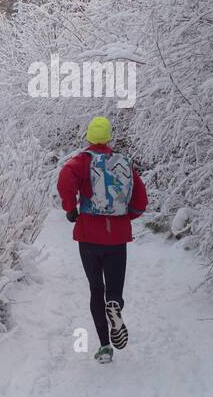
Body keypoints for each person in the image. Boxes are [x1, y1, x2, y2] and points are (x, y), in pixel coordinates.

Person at [56, 116, 148, 364]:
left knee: (96, 289)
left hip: (88, 237)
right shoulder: (124, 163)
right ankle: (115, 305)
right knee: (113, 290)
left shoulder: (81, 161)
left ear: (88, 137)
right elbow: (141, 201)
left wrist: (70, 207)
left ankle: (105, 346)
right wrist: (126, 216)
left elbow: (65, 177)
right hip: (117, 238)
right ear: (108, 138)